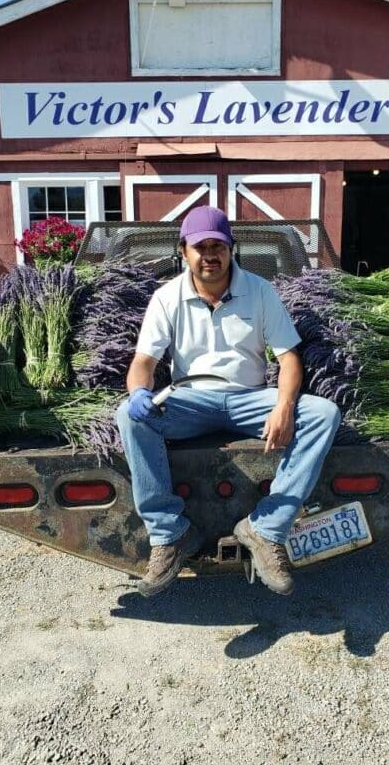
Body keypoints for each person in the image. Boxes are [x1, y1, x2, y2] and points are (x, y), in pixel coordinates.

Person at [116, 206, 341, 598]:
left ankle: (266, 528)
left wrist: (284, 407)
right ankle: (170, 534)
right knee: (129, 415)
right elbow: (144, 363)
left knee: (324, 413)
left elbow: (289, 358)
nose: (210, 255)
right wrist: (138, 392)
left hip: (250, 398)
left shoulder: (260, 290)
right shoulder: (167, 297)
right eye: (200, 247)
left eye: (217, 246)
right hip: (190, 400)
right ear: (183, 251)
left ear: (231, 249)